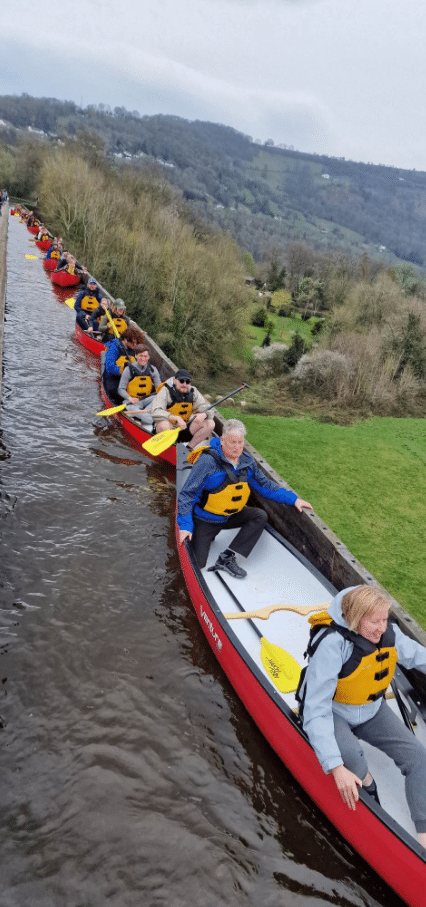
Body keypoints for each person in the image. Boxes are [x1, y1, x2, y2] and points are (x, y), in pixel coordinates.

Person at [299, 584, 426, 847]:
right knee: (352, 761)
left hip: (372, 710)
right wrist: (336, 768)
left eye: (384, 619)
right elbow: (316, 709)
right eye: (375, 622)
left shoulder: (388, 634)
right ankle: (368, 785)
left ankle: (424, 834)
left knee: (418, 757)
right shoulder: (333, 644)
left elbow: (418, 656)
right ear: (356, 619)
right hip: (335, 712)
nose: (382, 628)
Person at [177, 418, 313, 577]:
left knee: (259, 515)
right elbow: (188, 494)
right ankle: (202, 535)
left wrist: (293, 499)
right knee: (197, 564)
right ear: (222, 440)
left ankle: (227, 557)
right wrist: (185, 526)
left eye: (240, 442)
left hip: (230, 516)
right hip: (206, 520)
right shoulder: (207, 462)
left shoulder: (247, 462)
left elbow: (265, 485)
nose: (237, 447)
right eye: (233, 442)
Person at [151, 368, 215, 451]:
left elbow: (207, 408)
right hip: (168, 428)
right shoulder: (165, 391)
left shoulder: (193, 391)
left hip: (184, 427)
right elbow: (155, 411)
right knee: (164, 425)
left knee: (210, 423)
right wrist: (176, 418)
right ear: (175, 381)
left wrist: (205, 414)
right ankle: (168, 449)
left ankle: (189, 449)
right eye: (181, 381)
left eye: (187, 382)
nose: (184, 384)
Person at [117, 345, 161, 424]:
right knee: (150, 419)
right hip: (132, 402)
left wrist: (159, 395)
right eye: (141, 356)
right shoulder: (128, 370)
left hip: (147, 400)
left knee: (157, 398)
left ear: (148, 357)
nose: (143, 359)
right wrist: (130, 398)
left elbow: (159, 389)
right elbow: (121, 389)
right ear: (136, 356)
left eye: (145, 356)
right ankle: (148, 416)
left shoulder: (153, 370)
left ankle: (142, 414)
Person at [102, 326, 145, 404]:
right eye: (132, 342)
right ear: (125, 339)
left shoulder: (134, 349)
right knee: (115, 392)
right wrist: (124, 370)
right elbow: (109, 368)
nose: (135, 345)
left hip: (128, 379)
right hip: (113, 378)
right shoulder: (114, 347)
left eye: (136, 343)